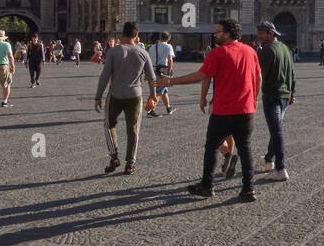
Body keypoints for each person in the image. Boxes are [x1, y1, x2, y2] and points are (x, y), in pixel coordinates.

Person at [159, 19, 260, 202]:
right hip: (246, 110)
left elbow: (201, 76)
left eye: (219, 31)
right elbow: (258, 77)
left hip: (224, 111)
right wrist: (254, 99)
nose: (216, 34)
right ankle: (248, 189)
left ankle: (207, 186)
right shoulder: (250, 51)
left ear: (228, 34)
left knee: (212, 147)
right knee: (245, 149)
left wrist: (171, 81)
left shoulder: (218, 53)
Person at [94, 22, 156, 176]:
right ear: (136, 36)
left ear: (122, 35)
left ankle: (114, 156)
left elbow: (104, 76)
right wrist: (153, 95)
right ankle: (130, 163)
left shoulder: (114, 52)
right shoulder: (143, 53)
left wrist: (98, 96)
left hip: (115, 94)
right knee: (133, 129)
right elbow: (151, 77)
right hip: (135, 95)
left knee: (109, 124)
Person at [257, 21, 295, 181]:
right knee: (276, 128)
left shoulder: (267, 50)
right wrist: (292, 93)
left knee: (276, 131)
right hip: (285, 95)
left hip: (272, 95)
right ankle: (268, 160)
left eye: (262, 33)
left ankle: (280, 168)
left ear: (271, 33)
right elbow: (292, 72)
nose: (260, 36)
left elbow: (260, 75)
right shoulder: (285, 48)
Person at [148, 31, 177, 117]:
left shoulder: (152, 47)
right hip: (163, 71)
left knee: (163, 90)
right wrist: (169, 72)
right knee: (159, 91)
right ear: (169, 38)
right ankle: (150, 110)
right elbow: (170, 59)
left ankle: (168, 108)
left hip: (152, 69)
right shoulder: (168, 46)